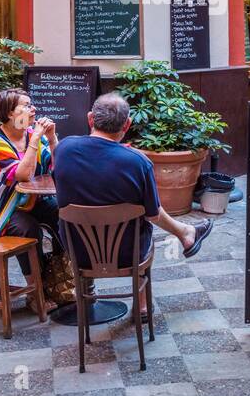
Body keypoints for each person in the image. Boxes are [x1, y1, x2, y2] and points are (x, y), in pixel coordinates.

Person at [53, 94, 213, 317]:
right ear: (127, 124)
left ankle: (185, 233)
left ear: (90, 119)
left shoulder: (63, 149)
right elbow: (153, 214)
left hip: (78, 252)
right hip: (128, 254)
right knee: (141, 223)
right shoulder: (137, 162)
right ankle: (143, 305)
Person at [0, 90, 59, 301]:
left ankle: (62, 278)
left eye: (31, 104)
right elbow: (22, 175)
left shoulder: (31, 134)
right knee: (28, 229)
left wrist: (52, 139)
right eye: (26, 106)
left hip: (27, 201)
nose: (33, 109)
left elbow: (58, 168)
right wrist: (36, 138)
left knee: (61, 214)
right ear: (9, 114)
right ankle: (36, 292)